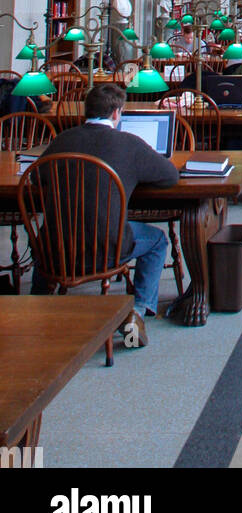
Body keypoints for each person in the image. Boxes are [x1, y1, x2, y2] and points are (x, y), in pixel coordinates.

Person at [31, 83, 179, 347]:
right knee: (157, 241)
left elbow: (36, 176)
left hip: (60, 249)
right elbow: (170, 177)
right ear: (116, 113)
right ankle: (139, 310)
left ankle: (36, 306)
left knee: (47, 236)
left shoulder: (63, 139)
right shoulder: (129, 143)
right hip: (106, 248)